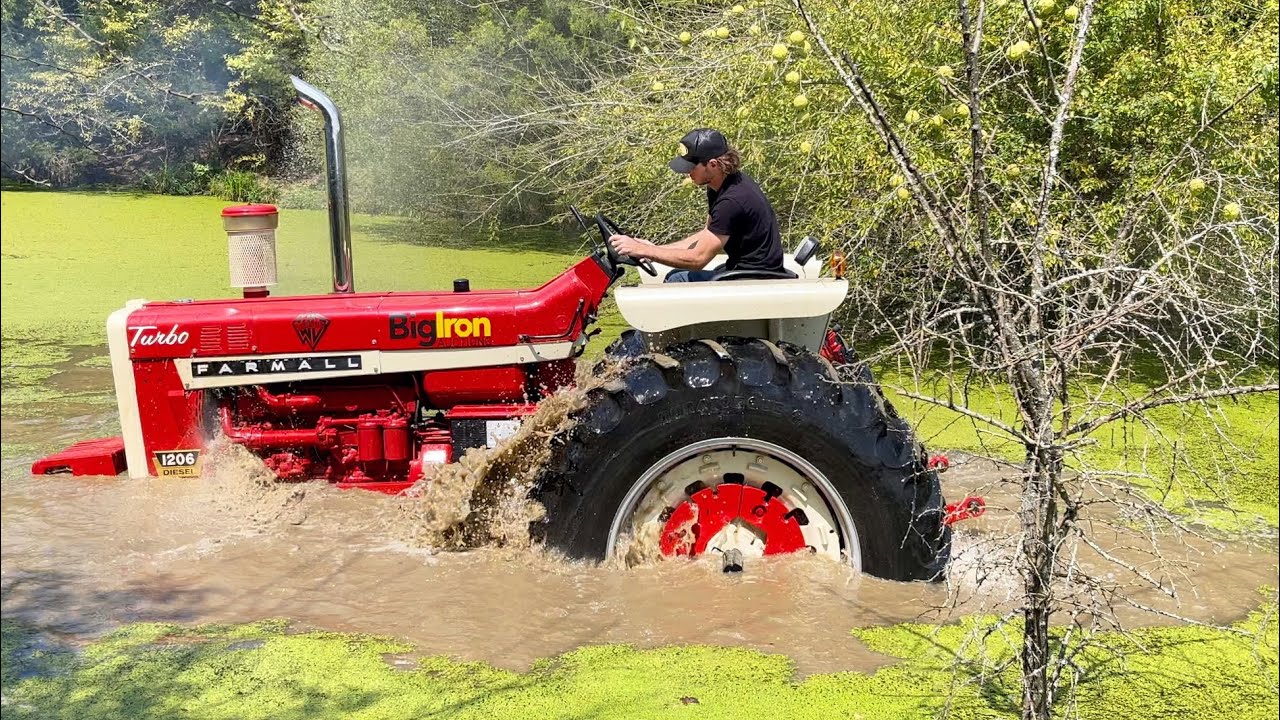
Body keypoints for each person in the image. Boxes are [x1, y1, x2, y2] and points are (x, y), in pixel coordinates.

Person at [608, 128, 784, 282]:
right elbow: (706, 234)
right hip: (744, 271)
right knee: (676, 275)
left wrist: (644, 250)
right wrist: (652, 249)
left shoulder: (731, 201)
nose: (687, 172)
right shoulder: (719, 185)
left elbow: (698, 259)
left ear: (713, 164)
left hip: (754, 280)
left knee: (677, 279)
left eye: (692, 167)